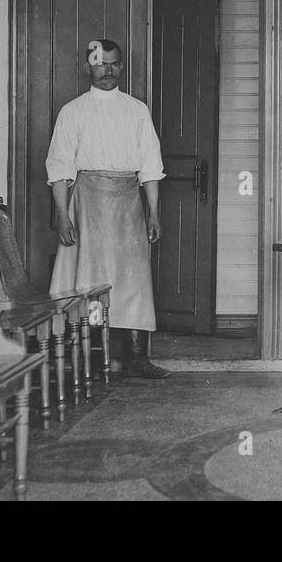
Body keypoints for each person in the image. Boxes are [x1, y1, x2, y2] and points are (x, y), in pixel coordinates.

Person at [46, 38, 170, 379]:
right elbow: (59, 168)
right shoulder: (73, 111)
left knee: (132, 280)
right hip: (87, 202)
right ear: (89, 67)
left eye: (114, 64)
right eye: (101, 64)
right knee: (89, 279)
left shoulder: (136, 110)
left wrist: (153, 213)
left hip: (128, 201)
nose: (108, 70)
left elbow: (150, 167)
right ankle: (87, 357)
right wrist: (62, 215)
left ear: (121, 66)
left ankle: (135, 358)